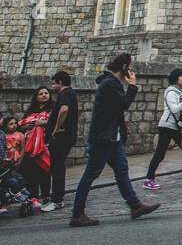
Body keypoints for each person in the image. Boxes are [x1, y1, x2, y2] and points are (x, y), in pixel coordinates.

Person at [69, 53, 161, 226]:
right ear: (125, 67)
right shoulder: (110, 84)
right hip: (104, 137)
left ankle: (135, 205)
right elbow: (123, 104)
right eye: (130, 67)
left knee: (121, 170)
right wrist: (132, 86)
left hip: (112, 137)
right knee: (90, 174)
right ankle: (77, 213)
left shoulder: (112, 83)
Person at [143, 68, 182, 189]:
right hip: (167, 126)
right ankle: (149, 179)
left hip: (180, 126)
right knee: (160, 153)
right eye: (181, 76)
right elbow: (174, 109)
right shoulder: (171, 92)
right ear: (175, 78)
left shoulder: (180, 91)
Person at [45, 70, 78, 211]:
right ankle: (56, 197)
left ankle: (57, 199)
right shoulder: (70, 94)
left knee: (57, 167)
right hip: (66, 136)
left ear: (60, 82)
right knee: (57, 166)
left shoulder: (66, 94)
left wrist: (56, 128)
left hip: (61, 137)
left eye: (54, 83)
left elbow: (64, 109)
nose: (52, 87)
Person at [17, 87, 54, 205]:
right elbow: (21, 125)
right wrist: (25, 127)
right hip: (30, 144)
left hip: (45, 143)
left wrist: (42, 123)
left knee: (44, 169)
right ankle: (33, 195)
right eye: (41, 94)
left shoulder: (53, 109)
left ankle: (46, 194)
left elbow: (56, 121)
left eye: (46, 93)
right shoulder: (31, 111)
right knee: (31, 170)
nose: (44, 95)